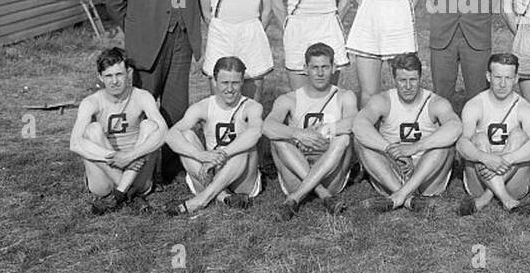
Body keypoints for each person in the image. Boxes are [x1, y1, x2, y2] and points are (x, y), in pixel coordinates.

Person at [106, 0, 203, 183]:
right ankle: (142, 172)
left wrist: (186, 24)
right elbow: (114, 1)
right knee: (146, 106)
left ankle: (170, 170)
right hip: (146, 43)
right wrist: (137, 28)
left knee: (176, 106)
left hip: (181, 39)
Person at [352, 52, 461, 212]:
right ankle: (408, 199)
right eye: (402, 81)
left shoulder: (435, 102)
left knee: (444, 144)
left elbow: (456, 127)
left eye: (413, 80)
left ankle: (399, 196)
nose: (408, 86)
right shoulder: (383, 100)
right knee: (361, 142)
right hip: (393, 171)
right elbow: (359, 125)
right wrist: (390, 149)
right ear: (394, 79)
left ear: (420, 78)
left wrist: (416, 147)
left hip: (427, 174)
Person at [262, 43, 359, 220]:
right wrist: (299, 134)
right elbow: (267, 127)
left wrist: (326, 130)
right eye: (314, 68)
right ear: (306, 69)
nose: (320, 73)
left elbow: (355, 122)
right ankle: (322, 194)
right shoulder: (289, 99)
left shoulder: (345, 96)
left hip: (331, 173)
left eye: (325, 67)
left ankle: (295, 198)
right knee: (277, 139)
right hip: (297, 171)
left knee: (343, 139)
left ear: (334, 68)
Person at [163, 56, 266, 215]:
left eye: (235, 83)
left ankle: (201, 200)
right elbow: (171, 135)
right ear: (214, 81)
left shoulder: (252, 106)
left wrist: (223, 154)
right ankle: (224, 197)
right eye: (225, 83)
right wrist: (201, 155)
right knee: (186, 135)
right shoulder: (203, 106)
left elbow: (256, 132)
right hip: (210, 172)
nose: (230, 89)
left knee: (245, 144)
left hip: (242, 179)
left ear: (242, 82)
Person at [69, 47, 168, 214]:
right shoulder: (91, 102)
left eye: (119, 74)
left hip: (136, 173)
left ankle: (122, 192)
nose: (114, 81)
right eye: (108, 76)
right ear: (100, 77)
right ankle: (129, 194)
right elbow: (74, 144)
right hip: (104, 179)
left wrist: (130, 156)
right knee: (92, 130)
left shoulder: (142, 96)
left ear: (128, 73)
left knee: (151, 126)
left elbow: (164, 133)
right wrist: (114, 158)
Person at [456, 53, 530, 217]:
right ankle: (506, 200)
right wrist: (485, 158)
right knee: (478, 138)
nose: (502, 84)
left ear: (516, 78)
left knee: (519, 135)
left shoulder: (523, 107)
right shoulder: (475, 104)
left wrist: (506, 159)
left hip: (514, 181)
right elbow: (462, 144)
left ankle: (487, 197)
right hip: (479, 180)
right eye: (497, 77)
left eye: (508, 78)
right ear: (488, 76)